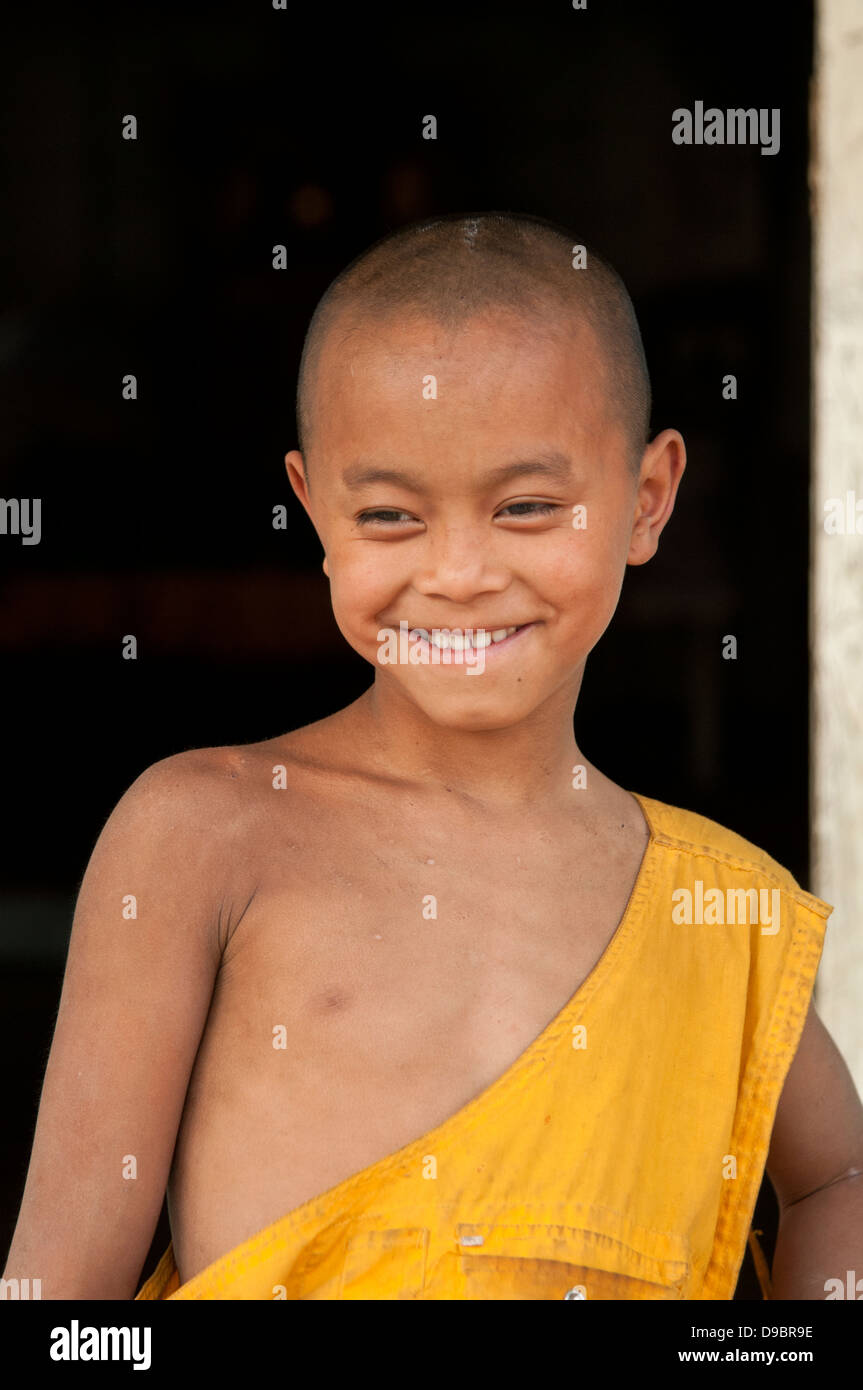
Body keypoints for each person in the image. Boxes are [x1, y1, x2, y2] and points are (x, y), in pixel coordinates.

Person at [5, 213, 862, 1300]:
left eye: (525, 506)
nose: (457, 572)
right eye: (389, 515)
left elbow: (837, 1174)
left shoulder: (715, 902)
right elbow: (54, 1286)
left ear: (646, 500)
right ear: (315, 508)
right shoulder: (203, 832)